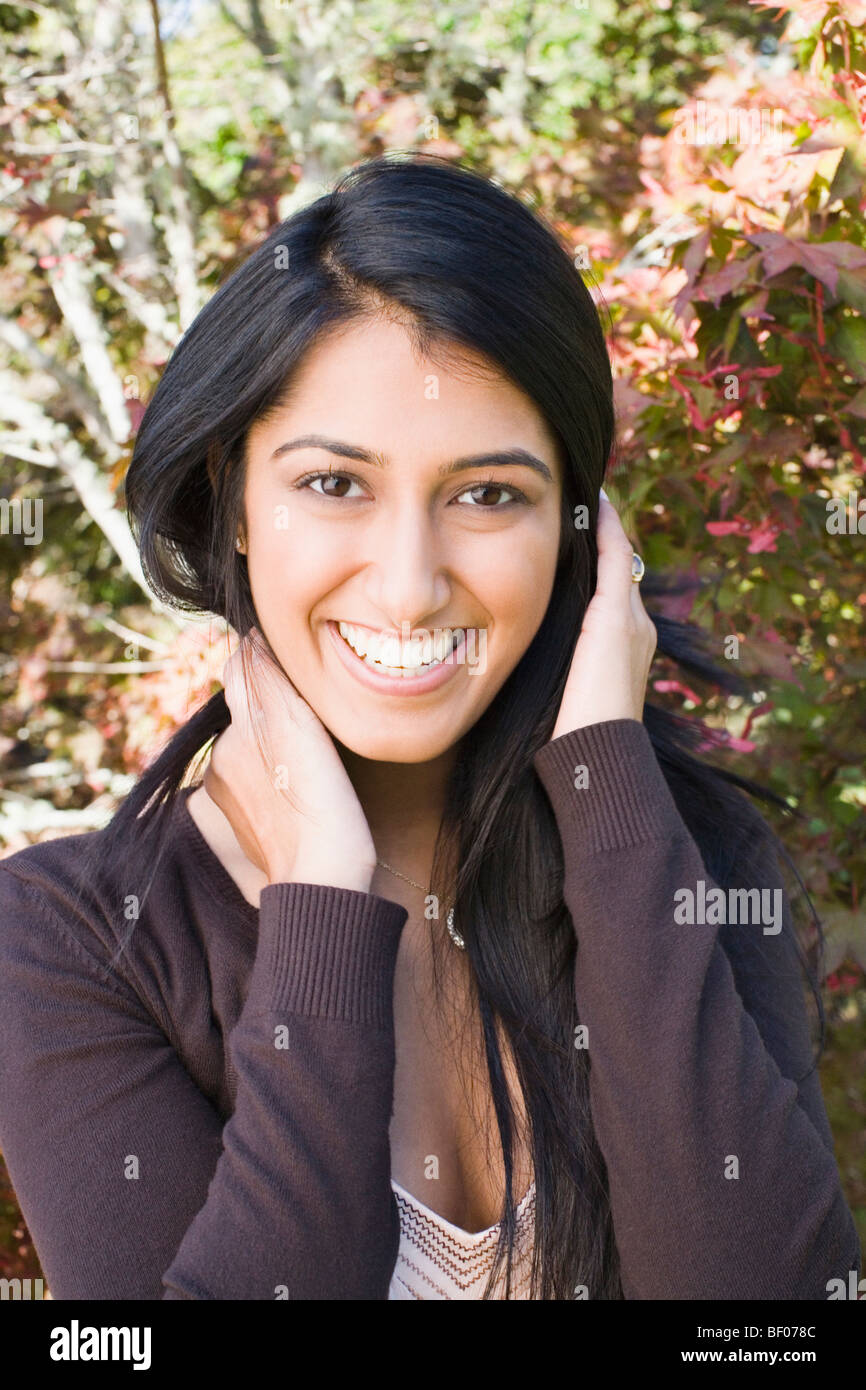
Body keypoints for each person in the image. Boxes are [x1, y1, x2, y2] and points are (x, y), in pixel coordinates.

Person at [0, 154, 859, 1301]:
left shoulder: (683, 857)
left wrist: (606, 785)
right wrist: (325, 906)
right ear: (233, 500)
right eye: (333, 484)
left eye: (487, 494)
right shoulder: (67, 938)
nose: (408, 588)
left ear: (575, 530)